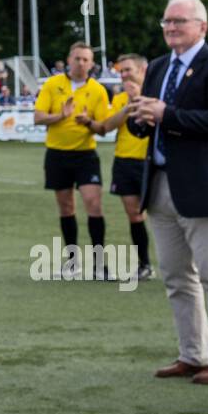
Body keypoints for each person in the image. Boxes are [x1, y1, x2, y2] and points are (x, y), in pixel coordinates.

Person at [127, 0, 208, 385]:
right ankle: (193, 354)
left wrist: (167, 115)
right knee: (176, 276)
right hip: (160, 183)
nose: (171, 28)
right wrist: (140, 118)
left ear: (202, 27)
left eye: (179, 21)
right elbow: (148, 125)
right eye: (167, 22)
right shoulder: (158, 67)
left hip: (205, 186)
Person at [34, 42, 111, 278]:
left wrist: (89, 122)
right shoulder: (52, 84)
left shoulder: (98, 90)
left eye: (86, 59)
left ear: (92, 63)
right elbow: (38, 117)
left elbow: (103, 128)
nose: (81, 63)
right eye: (77, 58)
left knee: (93, 204)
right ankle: (73, 263)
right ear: (68, 60)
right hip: (57, 154)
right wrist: (61, 116)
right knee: (66, 207)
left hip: (85, 155)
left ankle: (100, 265)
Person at [88, 53, 153, 280]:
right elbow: (107, 126)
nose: (124, 74)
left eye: (128, 70)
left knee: (166, 213)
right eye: (121, 71)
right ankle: (145, 264)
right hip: (125, 160)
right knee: (134, 214)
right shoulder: (120, 98)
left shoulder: (155, 93)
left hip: (150, 161)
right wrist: (127, 107)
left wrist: (140, 101)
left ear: (141, 70)